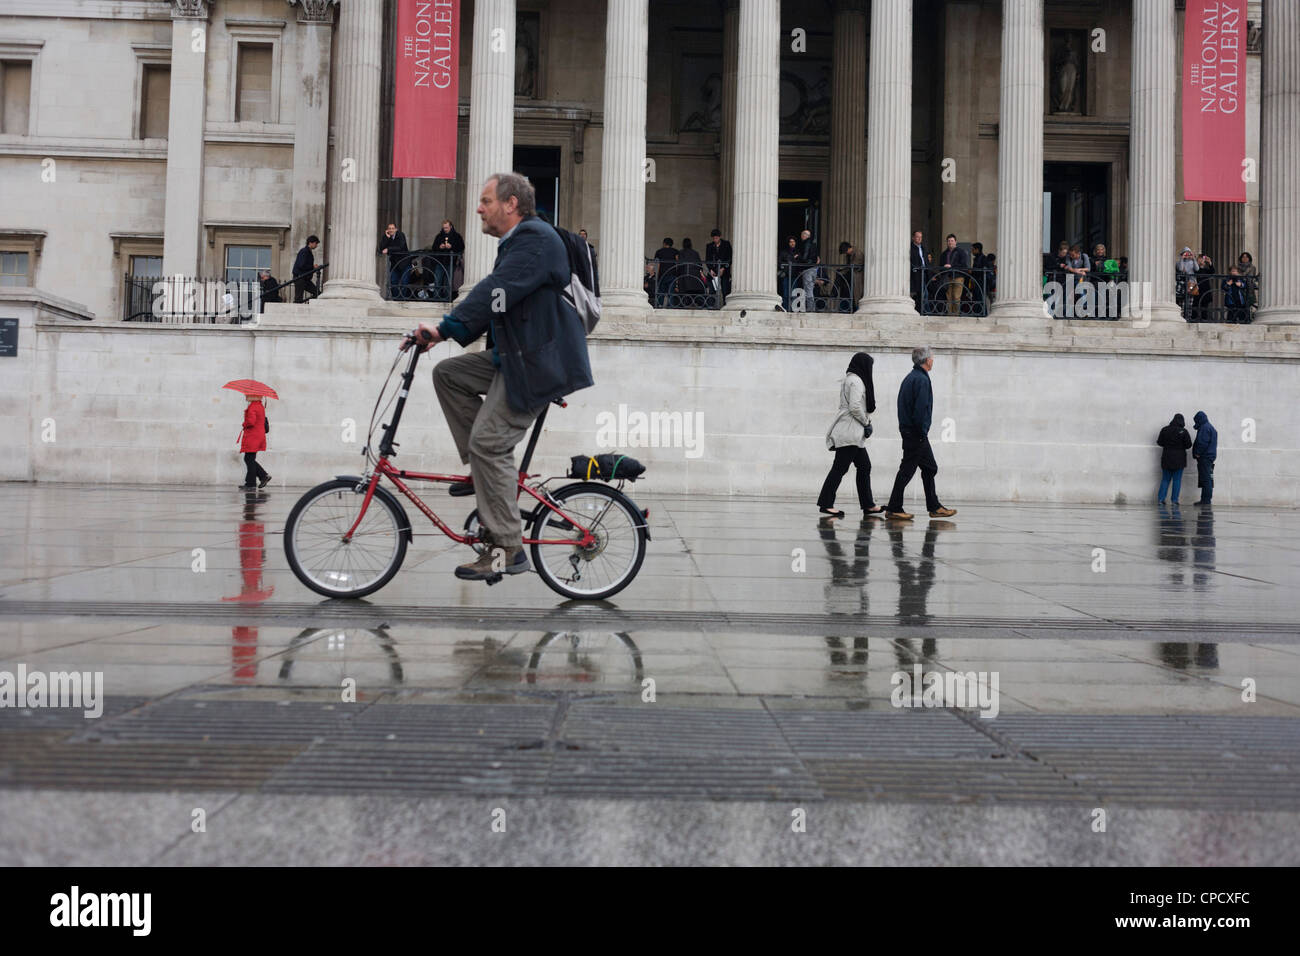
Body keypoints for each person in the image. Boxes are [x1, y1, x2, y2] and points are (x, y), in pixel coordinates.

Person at [414, 172, 593, 581]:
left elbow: (497, 289)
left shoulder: (535, 239)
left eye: (485, 200)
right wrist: (444, 338)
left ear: (511, 204)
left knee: (489, 443)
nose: (478, 208)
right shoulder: (518, 243)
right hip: (512, 357)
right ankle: (484, 473)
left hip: (538, 364)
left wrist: (446, 328)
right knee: (449, 375)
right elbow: (500, 301)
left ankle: (507, 549)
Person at [885, 346, 957, 519]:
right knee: (907, 470)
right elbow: (920, 409)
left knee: (930, 467)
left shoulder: (911, 377)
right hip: (916, 433)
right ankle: (895, 507)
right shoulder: (921, 380)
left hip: (912, 431)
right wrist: (921, 430)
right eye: (932, 357)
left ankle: (934, 506)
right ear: (926, 360)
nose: (933, 360)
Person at [818, 352, 884, 518]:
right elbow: (855, 406)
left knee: (864, 466)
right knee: (840, 468)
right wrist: (867, 423)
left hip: (853, 434)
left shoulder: (851, 379)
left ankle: (868, 504)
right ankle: (826, 503)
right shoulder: (856, 381)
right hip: (850, 433)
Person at [1156, 413, 1192, 505]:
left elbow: (1159, 442)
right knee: (1177, 480)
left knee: (1165, 479)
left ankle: (1161, 499)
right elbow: (1188, 445)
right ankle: (1174, 500)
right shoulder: (1184, 431)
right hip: (1179, 460)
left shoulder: (1165, 430)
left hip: (1166, 458)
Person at [238, 395, 272, 489]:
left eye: (248, 395)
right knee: (250, 459)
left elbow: (251, 422)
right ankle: (260, 477)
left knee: (249, 459)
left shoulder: (253, 406)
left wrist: (244, 424)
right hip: (258, 435)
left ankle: (253, 483)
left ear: (254, 397)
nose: (246, 396)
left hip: (253, 436)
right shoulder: (259, 406)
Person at [431, 219, 465, 296]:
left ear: (451, 227)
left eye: (446, 227)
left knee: (448, 281)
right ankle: (436, 298)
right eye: (444, 228)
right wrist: (440, 247)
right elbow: (434, 248)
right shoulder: (439, 236)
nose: (445, 229)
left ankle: (446, 298)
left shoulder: (457, 236)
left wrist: (451, 247)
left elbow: (461, 247)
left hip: (451, 262)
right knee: (437, 280)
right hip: (440, 261)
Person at [1192, 410, 1217, 506]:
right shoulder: (1211, 427)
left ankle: (1206, 500)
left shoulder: (1204, 428)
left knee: (1206, 479)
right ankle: (1205, 499)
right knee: (1208, 479)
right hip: (1209, 456)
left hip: (1205, 457)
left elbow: (1202, 442)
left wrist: (1197, 453)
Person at [939, 234, 968, 315]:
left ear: (956, 242)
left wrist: (952, 266)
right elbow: (940, 265)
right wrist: (944, 267)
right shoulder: (944, 253)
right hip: (947, 277)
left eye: (952, 241)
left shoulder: (961, 252)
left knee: (956, 297)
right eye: (948, 241)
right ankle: (950, 314)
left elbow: (964, 265)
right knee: (949, 297)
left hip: (958, 276)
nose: (950, 242)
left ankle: (955, 315)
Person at [378, 223, 410, 292]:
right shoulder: (387, 237)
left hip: (404, 263)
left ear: (396, 229)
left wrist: (388, 249)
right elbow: (381, 248)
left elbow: (400, 247)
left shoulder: (401, 235)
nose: (391, 230)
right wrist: (387, 237)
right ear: (387, 230)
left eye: (393, 228)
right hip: (395, 264)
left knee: (404, 283)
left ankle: (402, 301)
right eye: (389, 228)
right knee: (393, 282)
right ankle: (396, 300)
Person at [706, 228, 732, 301]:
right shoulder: (709, 246)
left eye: (716, 238)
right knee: (712, 290)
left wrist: (723, 268)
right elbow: (707, 259)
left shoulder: (726, 244)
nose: (715, 240)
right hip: (713, 271)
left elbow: (729, 258)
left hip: (724, 271)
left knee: (725, 290)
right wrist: (710, 269)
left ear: (720, 237)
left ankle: (725, 304)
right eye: (714, 238)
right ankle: (712, 307)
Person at [796, 228, 820, 307]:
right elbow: (816, 259)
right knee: (810, 289)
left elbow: (805, 258)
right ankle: (810, 307)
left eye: (803, 234)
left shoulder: (806, 244)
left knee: (808, 290)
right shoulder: (813, 244)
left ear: (806, 236)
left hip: (807, 269)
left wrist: (798, 256)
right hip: (814, 269)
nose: (801, 236)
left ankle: (810, 309)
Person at [293, 235, 320, 303]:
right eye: (315, 243)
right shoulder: (304, 251)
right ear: (310, 243)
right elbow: (301, 265)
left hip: (305, 278)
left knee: (317, 293)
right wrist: (313, 267)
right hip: (300, 277)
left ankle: (309, 303)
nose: (316, 245)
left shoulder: (307, 251)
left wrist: (312, 267)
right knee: (298, 298)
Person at [653, 237, 677, 307]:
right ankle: (670, 306)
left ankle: (659, 306)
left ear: (664, 243)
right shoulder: (675, 251)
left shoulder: (659, 251)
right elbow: (677, 263)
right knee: (671, 292)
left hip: (662, 274)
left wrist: (656, 275)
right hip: (672, 274)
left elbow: (657, 264)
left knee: (661, 293)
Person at [910, 230, 928, 311]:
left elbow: (926, 261)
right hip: (915, 274)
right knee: (917, 294)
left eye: (921, 237)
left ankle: (923, 311)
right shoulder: (910, 248)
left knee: (924, 294)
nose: (919, 239)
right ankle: (919, 311)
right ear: (913, 238)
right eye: (917, 237)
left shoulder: (923, 248)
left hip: (924, 273)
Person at [778, 235, 797, 310]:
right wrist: (793, 258)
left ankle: (793, 309)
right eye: (790, 242)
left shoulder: (798, 251)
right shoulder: (783, 252)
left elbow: (801, 261)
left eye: (793, 242)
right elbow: (780, 262)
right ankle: (786, 308)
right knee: (786, 293)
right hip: (786, 275)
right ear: (788, 243)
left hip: (795, 275)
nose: (792, 243)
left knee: (794, 293)